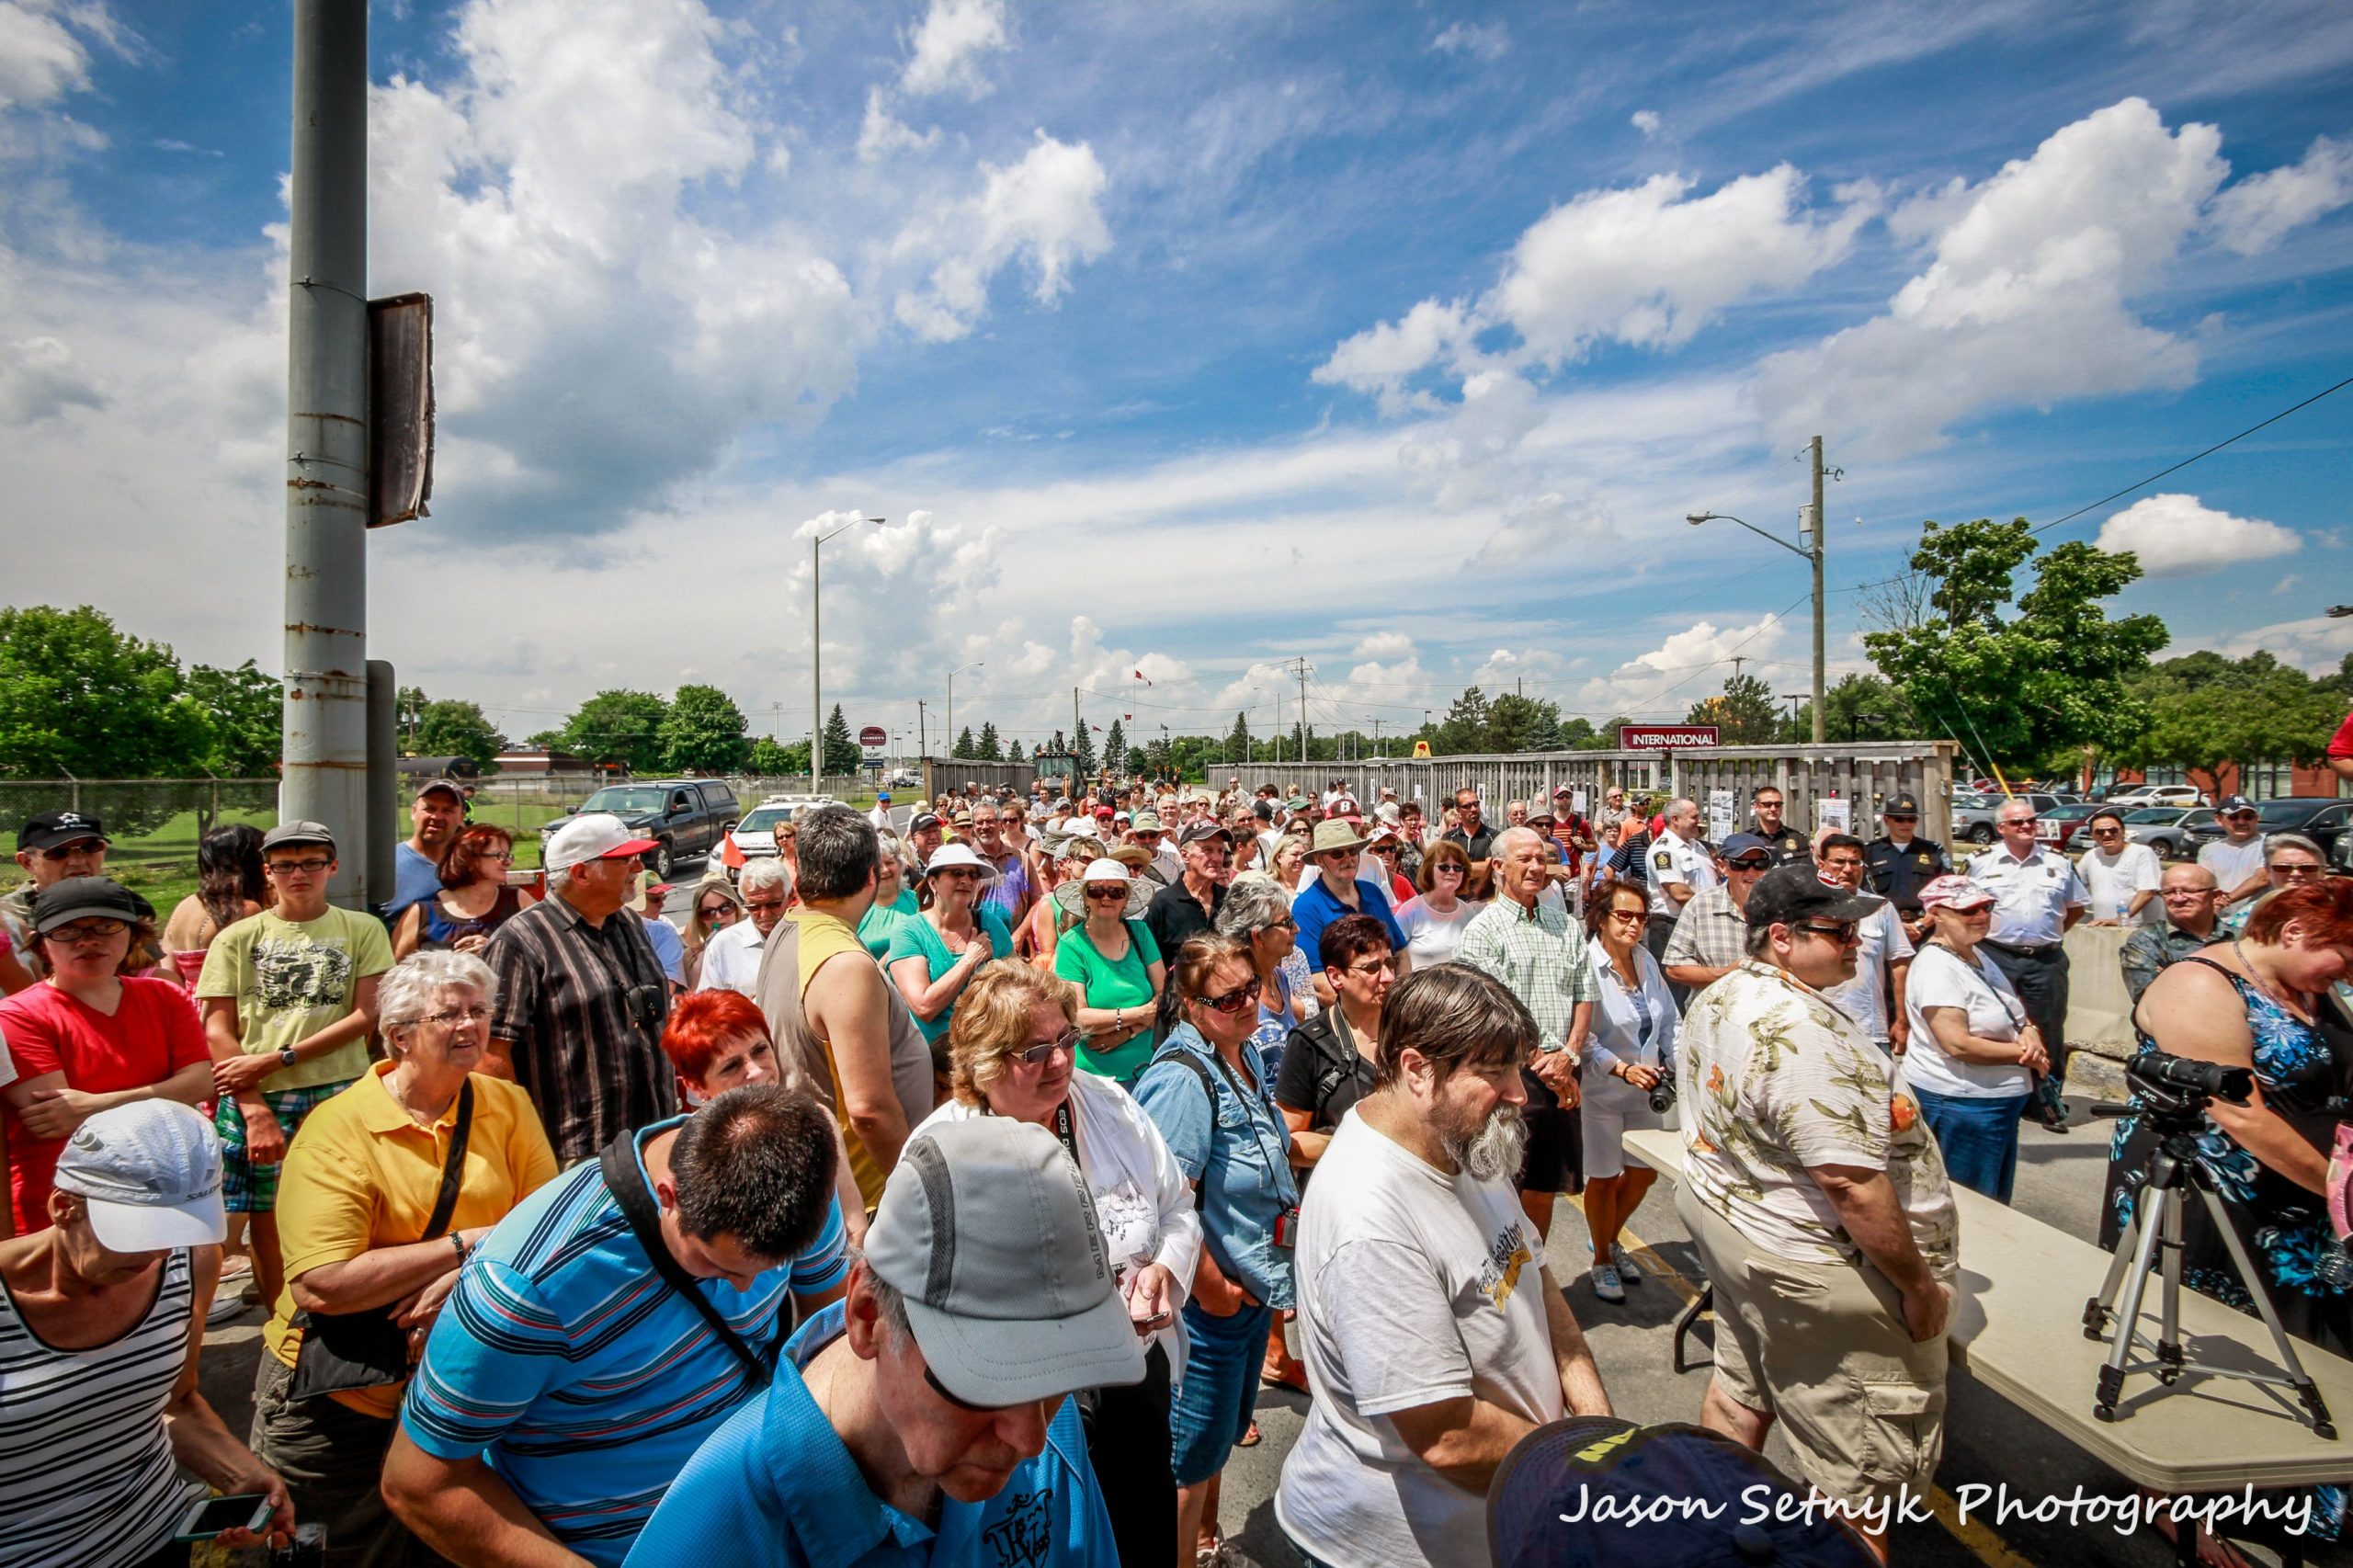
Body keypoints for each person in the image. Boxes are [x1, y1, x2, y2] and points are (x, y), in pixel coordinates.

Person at [627, 1116, 1135, 1568]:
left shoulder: (1044, 1416)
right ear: (868, 1316)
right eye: (987, 1381)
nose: (1030, 1441)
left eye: (1060, 1373)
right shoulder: (709, 1540)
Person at [385, 1084, 849, 1565]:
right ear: (670, 1196)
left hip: (765, 1529)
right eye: (719, 1266)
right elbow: (420, 1483)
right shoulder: (526, 1288)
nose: (744, 1288)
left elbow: (830, 1345)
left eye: (772, 1267)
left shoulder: (801, 1179)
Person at [1276, 964, 1611, 1568]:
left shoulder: (1464, 1140)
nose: (1518, 1092)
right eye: (1493, 1072)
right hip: (1397, 1550)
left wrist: (1600, 1435)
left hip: (1511, 1512)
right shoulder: (1370, 1218)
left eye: (1518, 1067)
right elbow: (1448, 1436)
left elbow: (1536, 1281)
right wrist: (1580, 1475)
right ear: (1416, 1070)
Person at [1677, 861, 1957, 1564]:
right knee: (1855, 1473)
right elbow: (1851, 1184)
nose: (1856, 943)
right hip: (1813, 1264)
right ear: (1781, 937)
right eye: (1838, 931)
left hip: (1744, 1234)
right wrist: (1918, 1286)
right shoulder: (1800, 1029)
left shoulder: (1725, 992)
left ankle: (1718, 1537)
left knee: (1741, 1391)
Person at [251, 949, 558, 1567]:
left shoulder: (507, 1104)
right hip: (337, 1403)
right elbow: (322, 1285)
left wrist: (457, 1280)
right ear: (399, 1037)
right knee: (337, 1551)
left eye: (478, 1011)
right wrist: (466, 1245)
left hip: (453, 1390)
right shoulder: (337, 1130)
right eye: (448, 1015)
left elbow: (544, 1234)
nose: (470, 1026)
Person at [916, 967, 1199, 1568]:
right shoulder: (940, 1153)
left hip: (1130, 1374)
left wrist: (1165, 1272)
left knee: (1141, 1531)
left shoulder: (1110, 1105)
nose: (1061, 1062)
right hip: (1022, 1406)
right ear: (985, 1063)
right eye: (1036, 1051)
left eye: (1066, 1040)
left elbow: (1178, 1207)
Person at [0, 1101, 295, 1566]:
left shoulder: (190, 1262)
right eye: (138, 1233)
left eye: (174, 1230)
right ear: (63, 1207)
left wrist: (239, 1473)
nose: (156, 1252)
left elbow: (175, 1401)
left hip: (156, 1539)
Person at [1133, 936, 1299, 1567]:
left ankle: (1205, 1545)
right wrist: (1215, 1294)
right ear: (1193, 1004)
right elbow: (1164, 1205)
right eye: (1228, 998)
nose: (1248, 1004)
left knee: (1214, 1446)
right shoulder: (1181, 1079)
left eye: (1251, 987)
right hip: (1212, 1309)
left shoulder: (1243, 1054)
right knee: (1187, 1461)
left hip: (1251, 1289)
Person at [197, 823, 392, 1317]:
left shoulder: (362, 929)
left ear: (333, 867)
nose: (297, 874)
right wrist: (253, 1105)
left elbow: (366, 1015)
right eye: (285, 865)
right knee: (269, 1215)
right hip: (265, 1094)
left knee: (351, 1205)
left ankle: (345, 1313)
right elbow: (219, 1029)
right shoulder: (237, 938)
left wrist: (283, 1056)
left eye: (310, 863)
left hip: (341, 1089)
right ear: (267, 872)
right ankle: (281, 1321)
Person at [0, 877, 213, 1236]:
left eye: (107, 926)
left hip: (168, 1195)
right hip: (65, 1209)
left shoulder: (165, 997)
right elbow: (58, 1118)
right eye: (67, 930)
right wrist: (170, 1092)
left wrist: (95, 1104)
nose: (88, 940)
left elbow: (201, 1083)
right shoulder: (17, 1015)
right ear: (42, 944)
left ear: (132, 933)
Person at [764, 806, 935, 1212]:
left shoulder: (788, 929)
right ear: (872, 875)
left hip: (829, 1177)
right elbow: (868, 1110)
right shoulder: (845, 964)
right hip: (872, 1195)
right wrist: (916, 1193)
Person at [481, 812, 675, 1166]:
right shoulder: (520, 942)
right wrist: (519, 1147)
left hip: (652, 1135)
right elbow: (492, 1055)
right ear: (581, 873)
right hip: (576, 1151)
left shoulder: (629, 922)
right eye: (624, 859)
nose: (637, 867)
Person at [1457, 827, 1597, 1243]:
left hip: (1564, 1073)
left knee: (1545, 1185)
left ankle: (1538, 1272)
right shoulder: (1482, 932)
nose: (1537, 867)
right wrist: (1544, 1062)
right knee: (1505, 1183)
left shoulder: (1565, 925)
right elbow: (1492, 1013)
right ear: (1499, 867)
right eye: (1526, 859)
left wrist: (1569, 1056)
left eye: (1542, 858)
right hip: (1512, 1076)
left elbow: (1585, 993)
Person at [1901, 877, 2044, 1202]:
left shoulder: (1975, 954)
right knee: (1973, 1205)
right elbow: (1957, 1044)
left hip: (1994, 1102)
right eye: (1967, 910)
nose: (1980, 916)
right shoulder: (1937, 967)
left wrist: (2029, 1029)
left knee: (1993, 1198)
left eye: (1985, 907)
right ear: (1936, 914)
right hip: (1963, 1104)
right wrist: (2023, 1053)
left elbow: (2010, 1008)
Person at [1580, 881, 1678, 1304]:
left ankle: (1609, 1237)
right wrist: (1620, 1068)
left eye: (1641, 917)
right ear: (1601, 919)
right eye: (1625, 916)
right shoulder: (1587, 965)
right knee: (1602, 1178)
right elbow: (1583, 1037)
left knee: (1643, 1172)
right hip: (1603, 1089)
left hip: (1647, 1088)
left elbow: (1669, 1020)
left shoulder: (1645, 961)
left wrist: (1676, 1063)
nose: (1635, 926)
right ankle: (1602, 1259)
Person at [1965, 795, 2088, 1131]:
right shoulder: (1981, 862)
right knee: (1993, 1026)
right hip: (1996, 954)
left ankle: (2047, 1101)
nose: (2026, 827)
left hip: (2045, 959)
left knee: (2048, 1028)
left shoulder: (2059, 862)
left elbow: (2075, 907)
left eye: (2030, 821)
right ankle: (1999, 1097)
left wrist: (2045, 934)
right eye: (2017, 822)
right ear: (2001, 828)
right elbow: (1966, 906)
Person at [1273, 914, 1393, 1185]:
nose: (1387, 977)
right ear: (1336, 977)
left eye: (1389, 964)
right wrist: (1368, 1146)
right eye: (1372, 968)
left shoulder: (1411, 1030)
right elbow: (1290, 1142)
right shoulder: (1309, 1043)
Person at [892, 842, 1017, 1054]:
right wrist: (970, 961)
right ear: (933, 882)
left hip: (988, 1054)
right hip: (934, 1060)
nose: (966, 881)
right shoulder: (909, 932)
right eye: (956, 873)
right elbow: (924, 1007)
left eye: (973, 875)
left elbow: (1017, 985)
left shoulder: (991, 924)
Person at [1051, 858, 1165, 1086]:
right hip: (1095, 1078)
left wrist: (1129, 1030)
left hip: (1150, 1068)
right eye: (1096, 891)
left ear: (1125, 899)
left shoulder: (1140, 932)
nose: (1106, 897)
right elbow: (1077, 1016)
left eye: (1115, 892)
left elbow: (1164, 995)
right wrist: (1141, 1014)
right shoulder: (1072, 944)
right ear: (1085, 897)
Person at [1816, 833, 1915, 1058]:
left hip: (1870, 1030)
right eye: (1839, 862)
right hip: (1819, 1027)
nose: (1848, 869)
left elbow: (1900, 965)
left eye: (1855, 862)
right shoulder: (1803, 907)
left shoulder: (1880, 908)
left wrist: (1902, 1021)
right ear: (1821, 864)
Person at [1290, 820, 1410, 1006]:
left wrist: (1399, 1002)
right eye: (1338, 854)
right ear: (1319, 860)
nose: (1348, 859)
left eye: (1353, 851)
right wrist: (1365, 1009)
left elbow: (1401, 952)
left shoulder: (1374, 893)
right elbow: (1316, 981)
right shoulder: (1306, 907)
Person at [2, 810, 110, 983]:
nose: (78, 861)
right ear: (27, 862)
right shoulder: (9, 919)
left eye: (90, 848)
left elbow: (146, 968)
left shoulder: (124, 905)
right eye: (59, 853)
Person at [1662, 832, 1775, 997]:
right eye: (1741, 864)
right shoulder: (1700, 906)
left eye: (1760, 863)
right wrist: (1726, 974)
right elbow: (1674, 968)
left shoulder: (1783, 907)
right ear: (1723, 867)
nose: (1751, 871)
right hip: (1716, 1012)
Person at [392, 823, 527, 960]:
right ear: (470, 858)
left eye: (508, 856)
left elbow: (543, 953)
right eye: (500, 856)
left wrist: (496, 948)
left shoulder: (519, 900)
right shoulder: (423, 912)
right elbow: (395, 969)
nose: (508, 862)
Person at [1214, 874, 1304, 1079]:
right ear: (1258, 936)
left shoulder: (1279, 978)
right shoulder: (1232, 994)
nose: (1296, 929)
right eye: (1287, 923)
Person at [161, 823, 267, 990]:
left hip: (189, 1008)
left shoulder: (185, 905)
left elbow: (168, 971)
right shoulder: (245, 910)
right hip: (229, 1009)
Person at [2120, 863, 2228, 1003]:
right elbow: (2153, 1001)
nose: (2178, 899)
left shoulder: (2242, 939)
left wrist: (2172, 977)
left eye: (2189, 891)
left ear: (2216, 896)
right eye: (2169, 892)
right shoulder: (2146, 941)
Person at [694, 856, 792, 995]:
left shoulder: (806, 937)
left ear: (790, 897)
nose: (764, 914)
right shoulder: (722, 946)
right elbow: (707, 1008)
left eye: (773, 904)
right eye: (754, 907)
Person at [1863, 793, 1949, 940]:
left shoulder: (1933, 851)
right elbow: (1864, 894)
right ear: (1886, 820)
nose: (1906, 824)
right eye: (1899, 819)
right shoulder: (1869, 852)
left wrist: (1921, 925)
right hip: (1883, 929)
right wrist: (1896, 926)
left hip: (1926, 929)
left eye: (1911, 819)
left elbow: (1946, 892)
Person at [1145, 820, 1233, 959]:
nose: (1217, 858)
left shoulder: (1230, 900)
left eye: (1220, 851)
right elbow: (1148, 959)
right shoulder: (1162, 904)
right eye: (1207, 850)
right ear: (1185, 855)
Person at [1392, 838, 1482, 971]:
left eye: (1458, 868)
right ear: (1429, 869)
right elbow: (1394, 955)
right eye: (1444, 867)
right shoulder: (1410, 911)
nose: (1451, 872)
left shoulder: (1469, 913)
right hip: (1419, 989)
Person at [1643, 798, 1714, 963]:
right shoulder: (1663, 850)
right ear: (1675, 819)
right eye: (1694, 817)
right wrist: (1714, 907)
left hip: (1697, 922)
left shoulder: (1697, 846)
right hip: (1671, 928)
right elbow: (1679, 893)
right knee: (1676, 987)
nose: (1699, 821)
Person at [2221, 833, 2332, 937]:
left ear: (2323, 872)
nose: (2296, 874)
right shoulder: (2251, 914)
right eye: (2283, 868)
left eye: (2307, 868)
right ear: (2268, 872)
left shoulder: (2342, 909)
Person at [390, 778, 467, 924]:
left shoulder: (472, 867)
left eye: (448, 810)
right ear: (413, 812)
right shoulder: (387, 865)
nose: (437, 817)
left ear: (461, 818)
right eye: (429, 808)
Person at [2080, 808, 2163, 926]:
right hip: (2104, 927)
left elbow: (2147, 892)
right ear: (2092, 835)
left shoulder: (2142, 852)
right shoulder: (2091, 856)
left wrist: (2120, 919)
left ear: (2123, 831)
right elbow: (2073, 887)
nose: (2107, 835)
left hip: (2139, 930)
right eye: (2100, 832)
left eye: (2113, 830)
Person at [855, 831, 922, 962]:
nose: (885, 870)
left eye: (889, 862)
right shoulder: (857, 911)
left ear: (900, 864)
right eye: (877, 866)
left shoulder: (918, 901)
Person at [969, 801, 1038, 928]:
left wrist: (1020, 935)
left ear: (1000, 824)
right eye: (979, 822)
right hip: (979, 940)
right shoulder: (967, 860)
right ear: (973, 826)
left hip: (1017, 942)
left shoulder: (1021, 858)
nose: (984, 826)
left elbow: (1036, 899)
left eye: (990, 821)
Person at [2199, 794, 2271, 909]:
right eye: (2233, 817)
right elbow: (2204, 882)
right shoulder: (2208, 850)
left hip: (2255, 918)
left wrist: (2226, 900)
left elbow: (2262, 878)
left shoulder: (2269, 844)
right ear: (2219, 820)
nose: (2241, 822)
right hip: (2220, 918)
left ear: (2257, 819)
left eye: (2248, 817)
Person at [682, 877, 744, 992]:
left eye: (725, 908)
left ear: (736, 908)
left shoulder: (756, 942)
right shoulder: (691, 957)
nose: (718, 917)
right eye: (707, 912)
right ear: (699, 917)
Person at [635, 873, 686, 991]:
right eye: (655, 899)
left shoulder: (666, 928)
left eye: (663, 897)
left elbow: (670, 982)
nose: (661, 904)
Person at [1440, 789, 1497, 891]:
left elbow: (1489, 868)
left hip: (1484, 900)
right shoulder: (1449, 838)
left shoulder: (1494, 836)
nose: (1474, 809)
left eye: (1476, 804)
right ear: (1458, 810)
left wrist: (1457, 868)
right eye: (1467, 806)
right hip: (1456, 898)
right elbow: (1444, 869)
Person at [1747, 785, 1809, 864]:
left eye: (1778, 804)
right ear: (1756, 807)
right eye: (1767, 804)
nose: (1773, 809)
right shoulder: (1746, 839)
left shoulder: (1799, 839)